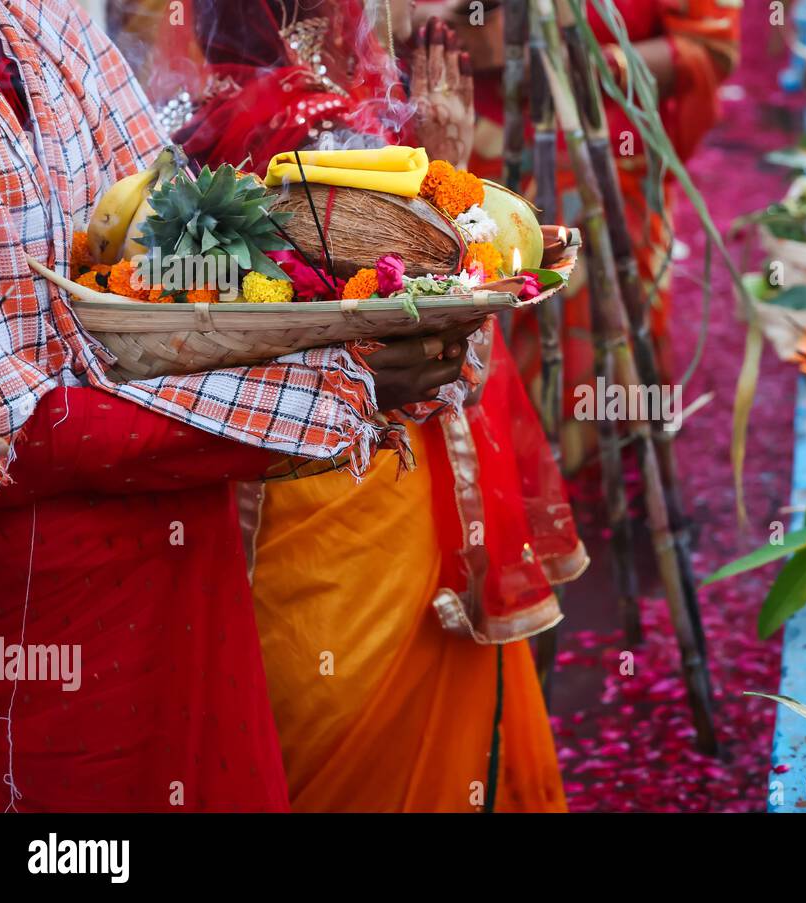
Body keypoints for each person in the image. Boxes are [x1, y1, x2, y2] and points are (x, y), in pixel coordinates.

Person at [0, 0, 465, 812]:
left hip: (188, 554)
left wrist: (386, 294)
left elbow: (169, 262)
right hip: (35, 608)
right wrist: (344, 385)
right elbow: (14, 431)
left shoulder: (43, 23)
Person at [122, 0, 581, 811]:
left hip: (254, 493)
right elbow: (424, 309)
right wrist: (446, 184)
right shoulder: (321, 125)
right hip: (358, 476)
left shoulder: (165, 116)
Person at [428, 0, 740, 472]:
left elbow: (709, 49)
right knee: (483, 322)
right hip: (478, 155)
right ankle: (507, 466)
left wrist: (578, 63)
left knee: (610, 327)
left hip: (607, 160)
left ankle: (607, 466)